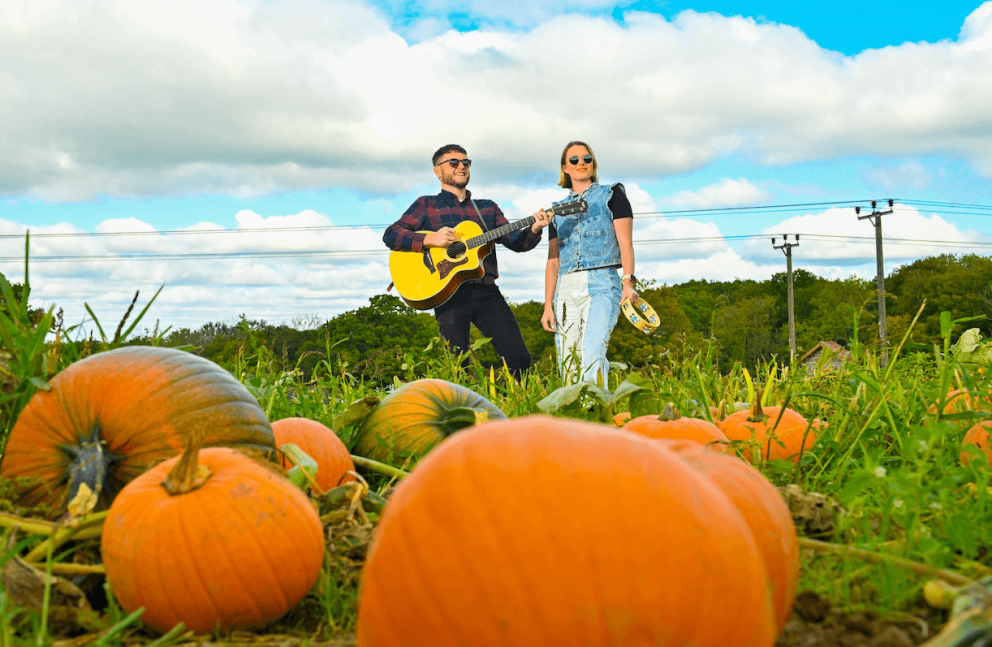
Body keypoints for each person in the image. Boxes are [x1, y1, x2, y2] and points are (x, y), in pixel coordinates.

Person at [383, 144, 553, 377]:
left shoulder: (487, 208)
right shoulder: (426, 205)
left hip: (487, 292)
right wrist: (430, 239)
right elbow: (391, 235)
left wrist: (534, 228)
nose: (461, 166)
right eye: (453, 162)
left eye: (466, 162)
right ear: (438, 171)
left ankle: (504, 399)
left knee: (519, 359)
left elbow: (516, 242)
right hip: (448, 295)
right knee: (458, 367)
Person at [537, 141, 637, 385]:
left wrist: (628, 282)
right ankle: (575, 409)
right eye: (574, 160)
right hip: (565, 287)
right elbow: (553, 261)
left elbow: (626, 242)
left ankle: (596, 406)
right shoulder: (556, 210)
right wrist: (548, 305)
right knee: (568, 360)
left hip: (601, 282)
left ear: (593, 163)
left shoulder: (612, 195)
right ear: (565, 168)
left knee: (592, 352)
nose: (581, 163)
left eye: (586, 158)